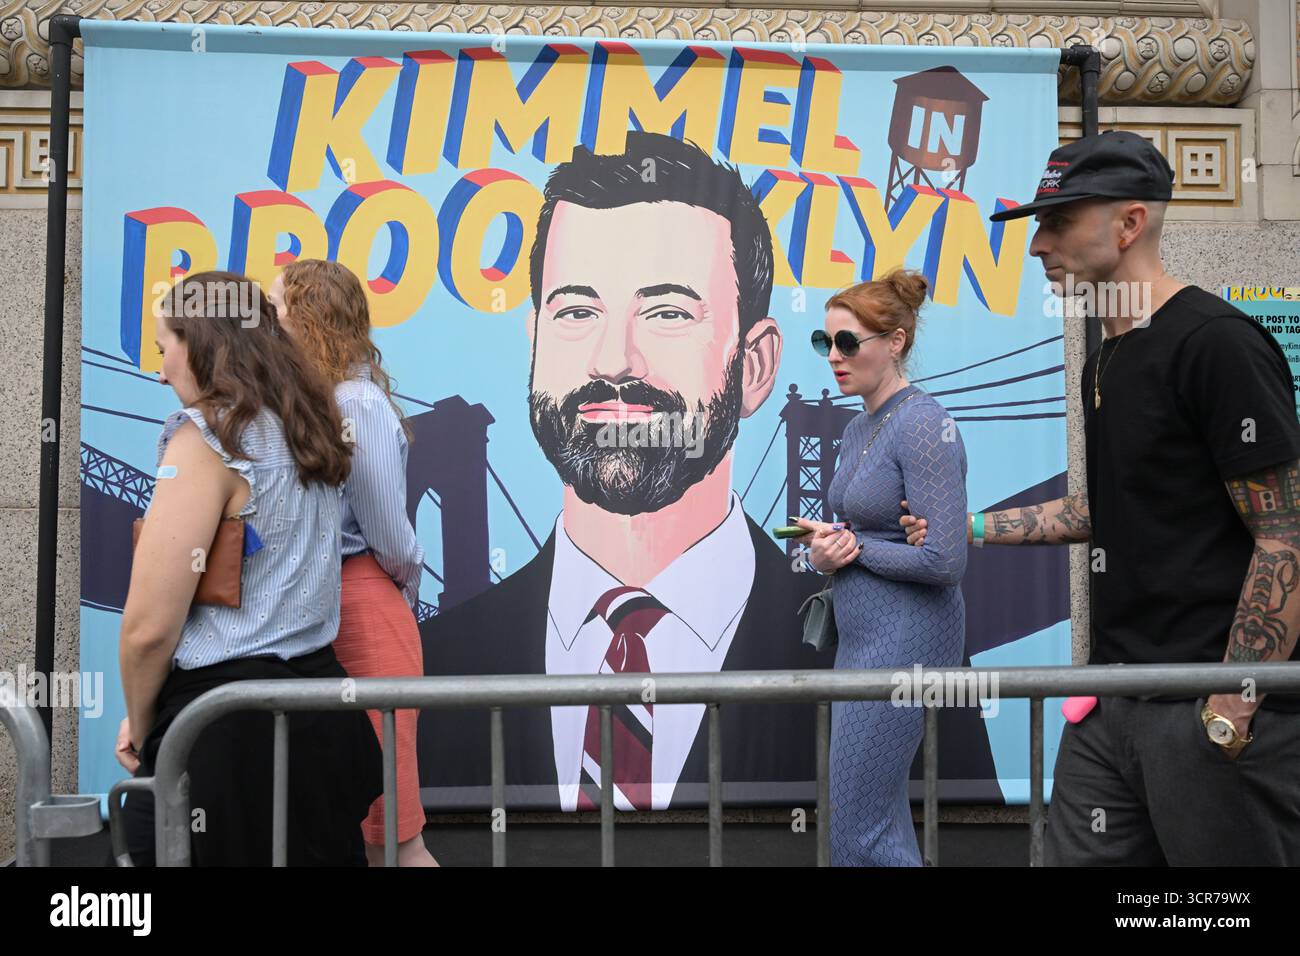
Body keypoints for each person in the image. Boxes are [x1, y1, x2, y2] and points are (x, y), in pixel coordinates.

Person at [904, 130, 1300, 865]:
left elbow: (1287, 536)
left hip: (1206, 706)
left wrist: (1233, 706)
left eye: (1058, 222)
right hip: (1115, 705)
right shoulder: (1109, 348)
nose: (1037, 245)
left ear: (1129, 224)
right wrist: (967, 527)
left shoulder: (1217, 343)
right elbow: (1102, 508)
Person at [420, 131, 831, 812]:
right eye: (577, 312)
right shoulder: (436, 665)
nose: (615, 361)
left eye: (667, 312)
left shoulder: (865, 657)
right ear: (535, 343)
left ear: (754, 366)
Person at [117, 271, 381, 866]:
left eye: (165, 349)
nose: (160, 371)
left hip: (225, 735)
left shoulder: (207, 437)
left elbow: (147, 629)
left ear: (204, 342)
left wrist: (144, 724)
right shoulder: (308, 426)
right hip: (317, 717)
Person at [791, 269, 968, 866]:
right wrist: (826, 550)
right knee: (875, 816)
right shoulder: (858, 426)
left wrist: (859, 549)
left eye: (848, 343)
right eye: (825, 343)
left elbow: (944, 560)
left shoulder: (923, 423)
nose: (834, 358)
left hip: (908, 636)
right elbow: (857, 533)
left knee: (857, 828)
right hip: (863, 637)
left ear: (894, 342)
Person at [268, 259, 437, 866]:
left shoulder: (354, 403)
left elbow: (389, 533)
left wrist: (402, 581)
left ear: (310, 317)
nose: (266, 319)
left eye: (278, 306)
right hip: (334, 611)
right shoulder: (329, 400)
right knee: (360, 829)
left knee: (393, 837)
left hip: (363, 610)